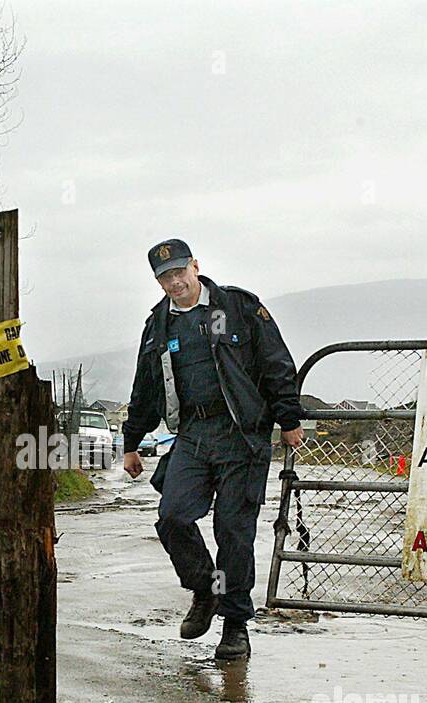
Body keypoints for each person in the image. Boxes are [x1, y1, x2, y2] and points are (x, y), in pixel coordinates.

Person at [121, 239, 305, 659]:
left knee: (233, 533)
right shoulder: (159, 325)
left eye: (180, 272)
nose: (175, 282)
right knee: (172, 516)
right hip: (193, 433)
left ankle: (235, 626)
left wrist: (289, 417)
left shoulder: (237, 307)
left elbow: (276, 362)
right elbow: (145, 387)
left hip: (241, 433)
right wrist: (131, 442)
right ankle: (206, 590)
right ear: (158, 282)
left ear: (195, 267)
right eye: (165, 277)